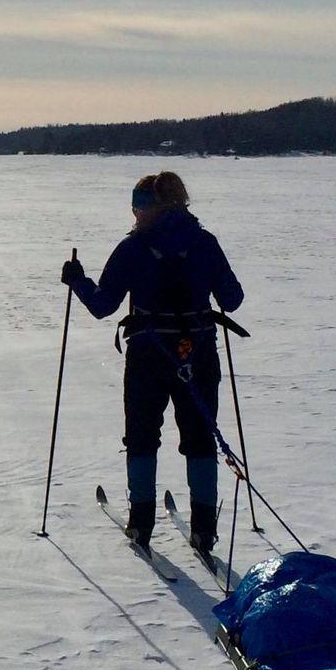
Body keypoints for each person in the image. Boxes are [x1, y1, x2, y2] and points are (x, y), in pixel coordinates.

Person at [61, 171, 244, 556]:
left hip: (148, 355)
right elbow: (232, 298)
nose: (135, 213)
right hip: (198, 354)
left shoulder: (134, 248)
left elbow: (102, 305)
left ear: (157, 206)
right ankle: (204, 529)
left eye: (140, 205)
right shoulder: (204, 242)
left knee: (142, 437)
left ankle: (141, 523)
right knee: (200, 438)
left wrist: (77, 281)